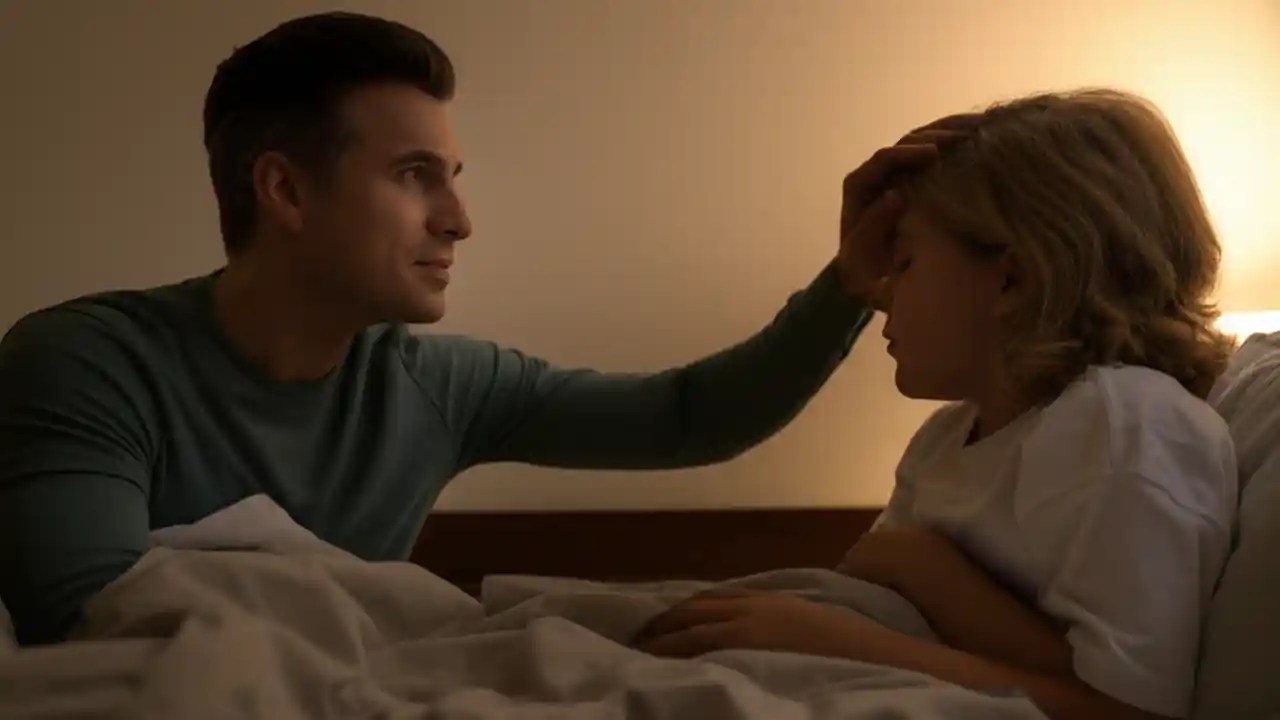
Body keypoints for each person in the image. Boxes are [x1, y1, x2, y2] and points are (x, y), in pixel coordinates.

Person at [0, 12, 940, 646]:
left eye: (453, 175)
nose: (458, 218)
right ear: (284, 189)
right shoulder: (85, 363)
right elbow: (83, 610)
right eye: (416, 174)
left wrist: (849, 284)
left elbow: (693, 417)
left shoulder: (439, 387)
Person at [634, 89, 1238, 720]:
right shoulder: (947, 438)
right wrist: (906, 574)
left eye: (905, 262)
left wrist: (868, 619)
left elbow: (1125, 710)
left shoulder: (1128, 427)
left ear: (1013, 279)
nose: (881, 296)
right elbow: (869, 584)